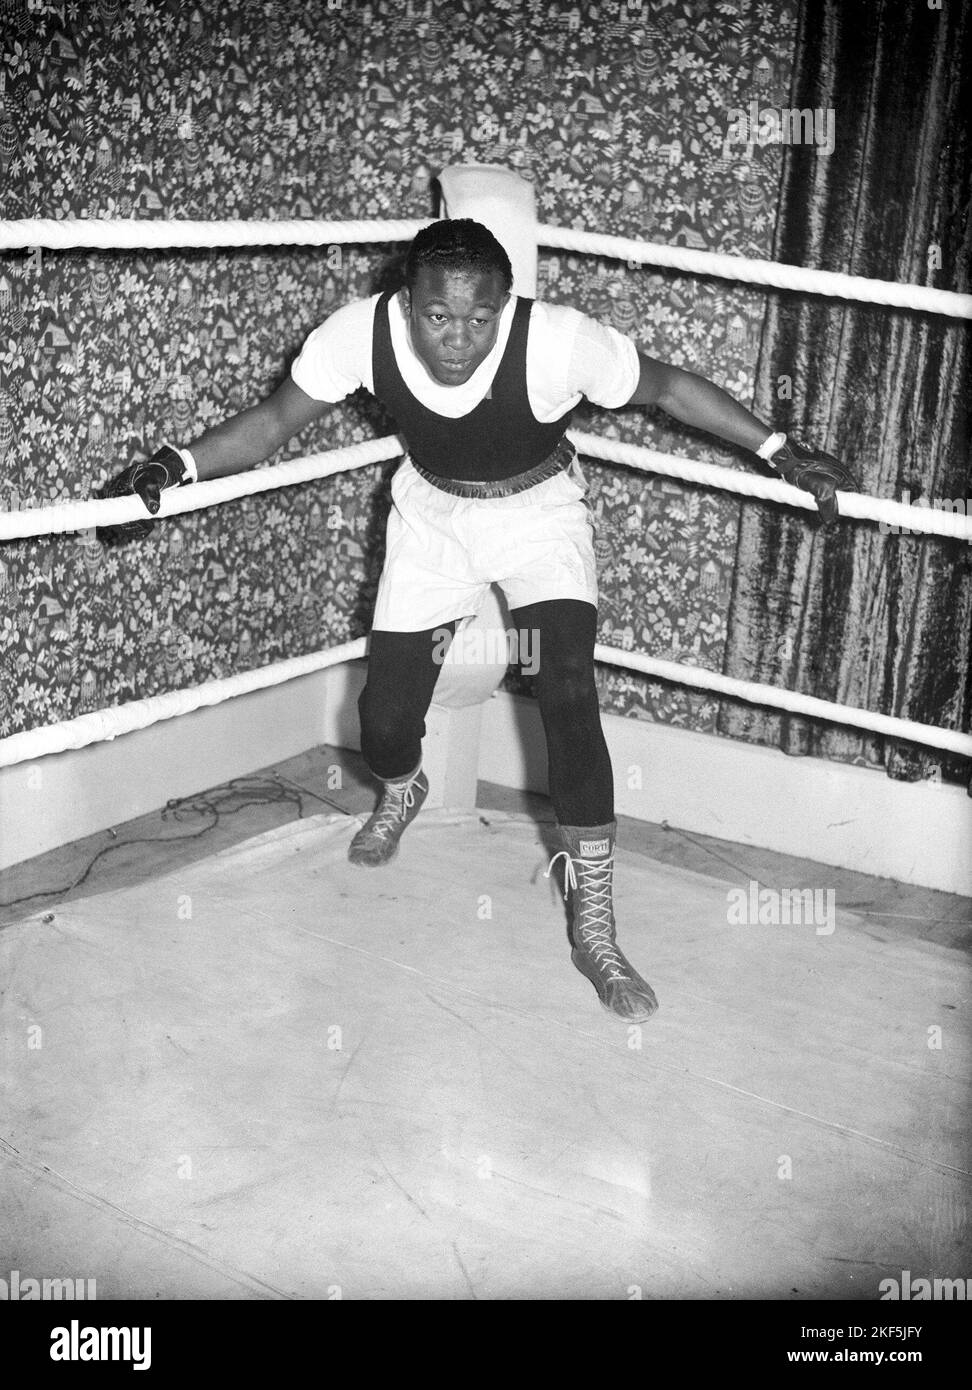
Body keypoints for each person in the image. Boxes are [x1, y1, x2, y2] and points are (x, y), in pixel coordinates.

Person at [98, 217, 858, 1024]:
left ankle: (594, 926)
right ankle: (403, 784)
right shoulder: (359, 336)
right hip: (432, 524)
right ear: (405, 301)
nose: (459, 338)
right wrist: (173, 467)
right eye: (437, 316)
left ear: (507, 302)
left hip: (539, 519)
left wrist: (777, 447)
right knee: (384, 719)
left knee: (566, 687)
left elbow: (667, 387)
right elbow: (273, 422)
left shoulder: (558, 341)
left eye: (480, 317)